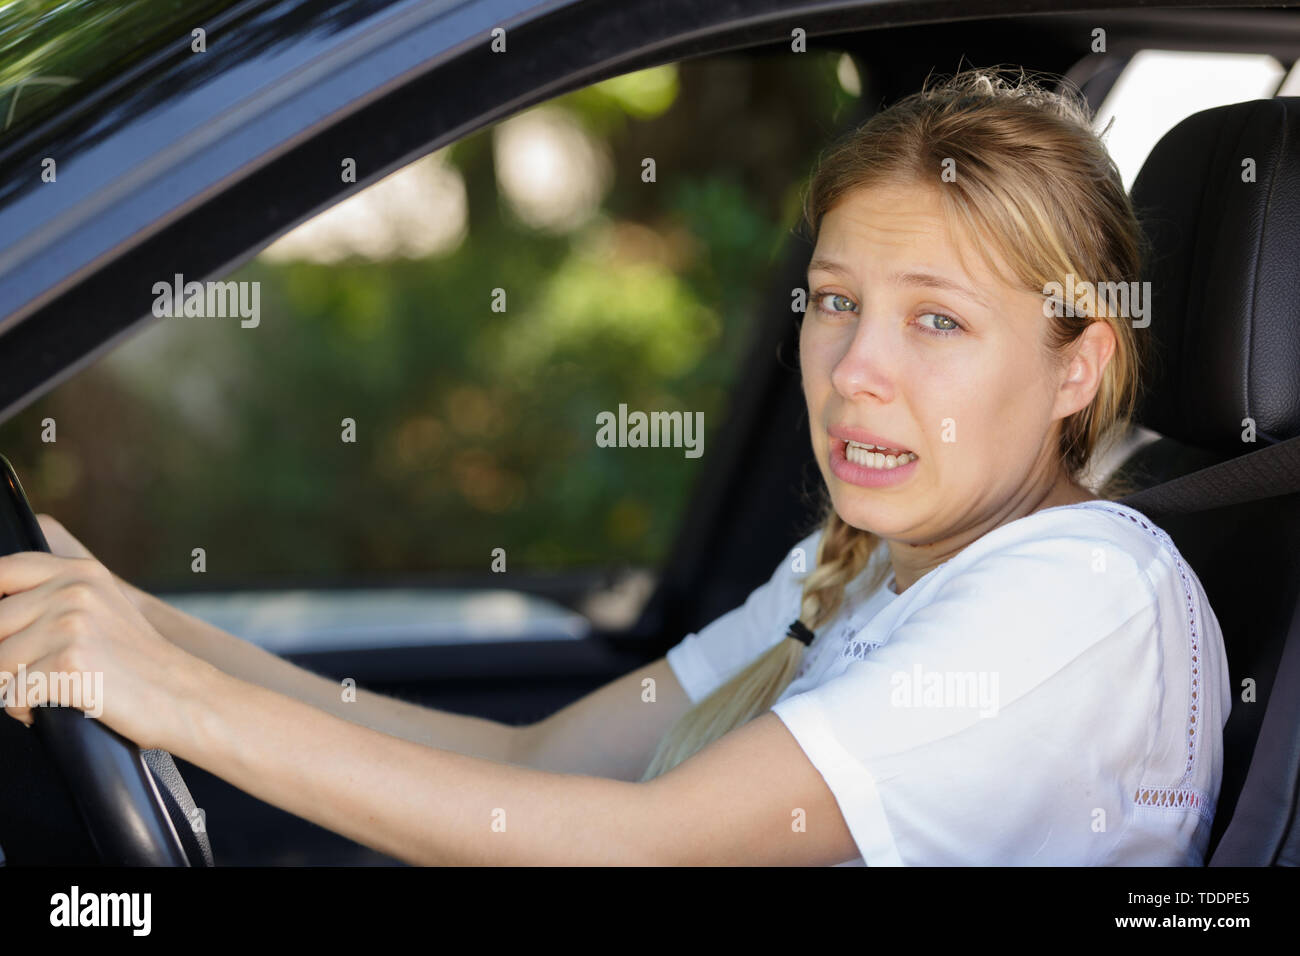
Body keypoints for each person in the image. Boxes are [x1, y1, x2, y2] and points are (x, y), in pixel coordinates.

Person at [0, 67, 1229, 866]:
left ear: (1077, 366)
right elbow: (532, 765)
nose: (855, 368)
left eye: (938, 320)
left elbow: (637, 844)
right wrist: (134, 623)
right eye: (834, 301)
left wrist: (175, 700)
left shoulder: (1078, 595)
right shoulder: (865, 565)